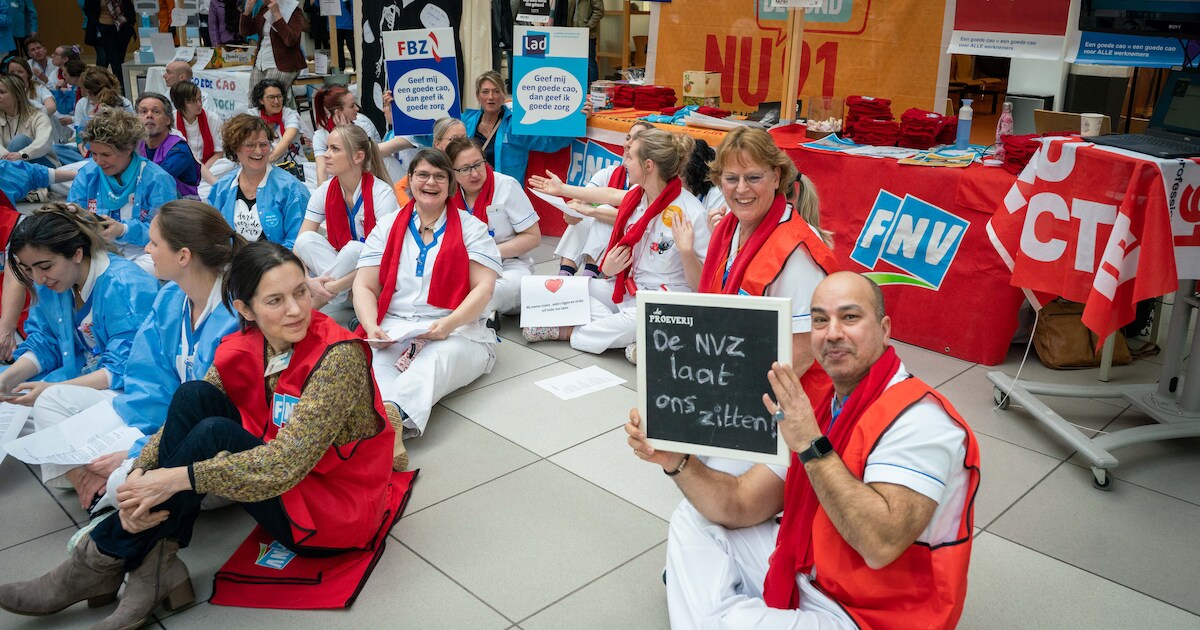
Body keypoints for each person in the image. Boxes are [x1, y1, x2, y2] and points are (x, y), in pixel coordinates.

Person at [0, 241, 400, 630]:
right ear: (245, 309)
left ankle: (99, 559)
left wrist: (174, 479)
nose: (296, 310)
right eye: (274, 301)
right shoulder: (244, 346)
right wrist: (142, 472)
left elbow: (284, 464)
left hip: (331, 510)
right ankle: (152, 562)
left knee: (214, 433)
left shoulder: (338, 358)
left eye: (300, 292)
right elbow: (187, 412)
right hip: (288, 484)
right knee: (194, 395)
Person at [627, 271, 981, 629]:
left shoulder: (921, 420)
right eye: (820, 320)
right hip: (812, 574)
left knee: (716, 615)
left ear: (885, 328)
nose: (833, 333)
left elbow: (880, 543)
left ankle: (706, 602)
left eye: (850, 317)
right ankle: (712, 606)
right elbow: (741, 502)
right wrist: (678, 463)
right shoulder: (827, 404)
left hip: (868, 616)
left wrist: (812, 445)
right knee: (693, 519)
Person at [25, 200, 243, 510]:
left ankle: (105, 483)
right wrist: (135, 440)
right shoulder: (170, 296)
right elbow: (147, 379)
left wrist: (138, 450)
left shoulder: (234, 313)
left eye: (155, 243)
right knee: (51, 401)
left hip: (207, 444)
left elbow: (213, 418)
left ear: (183, 256)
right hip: (159, 420)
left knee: (122, 484)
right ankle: (89, 481)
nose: (146, 248)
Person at [523, 128, 711, 362]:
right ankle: (640, 341)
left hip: (666, 304)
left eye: (631, 157)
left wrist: (686, 252)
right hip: (630, 289)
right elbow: (609, 195)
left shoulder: (691, 213)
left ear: (649, 166)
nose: (625, 162)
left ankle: (572, 331)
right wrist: (562, 190)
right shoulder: (638, 196)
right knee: (573, 289)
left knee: (609, 328)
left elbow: (703, 287)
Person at [353, 148, 501, 441]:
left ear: (450, 185)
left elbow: (484, 287)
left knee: (433, 364)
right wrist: (372, 326)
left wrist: (449, 324)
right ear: (409, 180)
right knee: (374, 369)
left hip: (459, 330)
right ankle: (388, 431)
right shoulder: (387, 227)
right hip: (396, 328)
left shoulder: (473, 229)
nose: (430, 182)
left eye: (439, 176)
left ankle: (388, 423)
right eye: (422, 174)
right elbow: (364, 285)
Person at [0, 204, 158, 411]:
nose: (38, 278)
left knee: (44, 410)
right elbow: (46, 341)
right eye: (28, 269)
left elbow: (126, 366)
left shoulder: (124, 285)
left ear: (76, 254)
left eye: (45, 266)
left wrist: (55, 390)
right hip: (80, 375)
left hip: (127, 390)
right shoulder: (57, 281)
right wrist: (6, 380)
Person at [530, 120, 653, 277]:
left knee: (601, 211)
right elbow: (581, 199)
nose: (628, 144)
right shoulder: (609, 172)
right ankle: (565, 275)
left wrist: (590, 210)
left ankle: (589, 277)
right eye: (628, 137)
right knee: (585, 214)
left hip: (637, 244)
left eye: (636, 140)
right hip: (610, 244)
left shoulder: (649, 181)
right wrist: (572, 212)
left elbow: (630, 216)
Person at [296, 124, 398, 310]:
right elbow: (298, 248)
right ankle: (348, 298)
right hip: (343, 273)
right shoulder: (325, 191)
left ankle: (317, 304)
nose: (326, 154)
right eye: (327, 148)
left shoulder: (382, 194)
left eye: (335, 149)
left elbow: (385, 257)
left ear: (358, 157)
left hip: (375, 275)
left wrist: (333, 286)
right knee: (305, 240)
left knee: (354, 249)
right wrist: (307, 281)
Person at [67, 107, 178, 273]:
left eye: (106, 154)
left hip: (143, 250)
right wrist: (71, 214)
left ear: (128, 148)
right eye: (94, 153)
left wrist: (123, 230)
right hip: (98, 248)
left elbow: (167, 231)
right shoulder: (88, 174)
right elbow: (75, 212)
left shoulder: (157, 179)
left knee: (134, 272)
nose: (98, 161)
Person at [445, 136, 540, 323]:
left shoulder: (506, 186)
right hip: (463, 266)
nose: (475, 174)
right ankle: (482, 317)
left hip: (509, 266)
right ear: (452, 172)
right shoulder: (447, 193)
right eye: (465, 169)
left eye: (478, 164)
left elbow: (533, 237)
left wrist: (487, 253)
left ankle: (461, 320)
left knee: (493, 290)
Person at [461, 70, 586, 183]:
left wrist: (579, 118)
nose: (491, 97)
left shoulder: (517, 125)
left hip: (504, 194)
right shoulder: (465, 122)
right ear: (478, 96)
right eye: (485, 92)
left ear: (504, 95)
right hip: (471, 190)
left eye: (496, 91)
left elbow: (550, 142)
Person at [208, 114, 309, 248]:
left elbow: (298, 242)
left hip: (277, 264)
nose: (258, 151)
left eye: (263, 144)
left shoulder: (291, 189)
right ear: (235, 148)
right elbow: (213, 235)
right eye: (250, 145)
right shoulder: (222, 188)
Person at [311, 84, 381, 185]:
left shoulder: (363, 127)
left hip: (368, 180)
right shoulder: (320, 136)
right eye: (352, 106)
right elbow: (321, 171)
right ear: (338, 112)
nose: (357, 108)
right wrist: (323, 198)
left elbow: (364, 163)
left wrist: (347, 133)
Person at [135, 93, 201, 199]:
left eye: (156, 112)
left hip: (183, 209)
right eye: (143, 111)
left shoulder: (179, 149)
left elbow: (156, 180)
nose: (149, 115)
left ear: (168, 120)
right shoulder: (136, 145)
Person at [242, 0, 306, 110]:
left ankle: (277, 126)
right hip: (260, 63)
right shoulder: (264, 9)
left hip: (283, 64)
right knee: (253, 102)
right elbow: (246, 31)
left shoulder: (295, 11)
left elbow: (290, 40)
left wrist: (277, 15)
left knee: (270, 102)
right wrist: (247, 10)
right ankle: (255, 127)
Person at [390, 115, 464, 204]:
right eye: (453, 139)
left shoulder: (473, 162)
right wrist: (409, 211)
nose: (461, 143)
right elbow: (398, 187)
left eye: (464, 138)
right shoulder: (428, 164)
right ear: (438, 144)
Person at [170, 81, 225, 184]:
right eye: (193, 101)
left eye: (200, 99)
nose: (199, 104)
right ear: (180, 103)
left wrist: (203, 171)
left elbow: (219, 153)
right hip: (183, 166)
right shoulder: (171, 120)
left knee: (227, 164)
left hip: (210, 166)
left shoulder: (212, 118)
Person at [0, 73, 56, 166]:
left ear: (17, 95)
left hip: (43, 164)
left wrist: (21, 155)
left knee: (20, 140)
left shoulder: (38, 116)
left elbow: (43, 144)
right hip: (12, 162)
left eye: (2, 92)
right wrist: (7, 156)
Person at [247, 77, 302, 167]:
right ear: (261, 100)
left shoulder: (290, 115)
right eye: (271, 97)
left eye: (279, 97)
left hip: (290, 163)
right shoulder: (252, 115)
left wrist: (268, 161)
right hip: (259, 160)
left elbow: (286, 140)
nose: (276, 101)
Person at [82, 0, 135, 92]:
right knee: (116, 62)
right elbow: (88, 10)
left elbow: (128, 6)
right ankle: (120, 92)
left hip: (123, 28)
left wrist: (130, 22)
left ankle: (121, 91)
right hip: (105, 28)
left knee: (120, 61)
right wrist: (96, 23)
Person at [554, 0, 603, 86]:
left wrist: (588, 26)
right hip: (574, 33)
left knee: (590, 62)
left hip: (587, 34)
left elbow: (599, 11)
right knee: (575, 61)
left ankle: (592, 88)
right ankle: (578, 86)